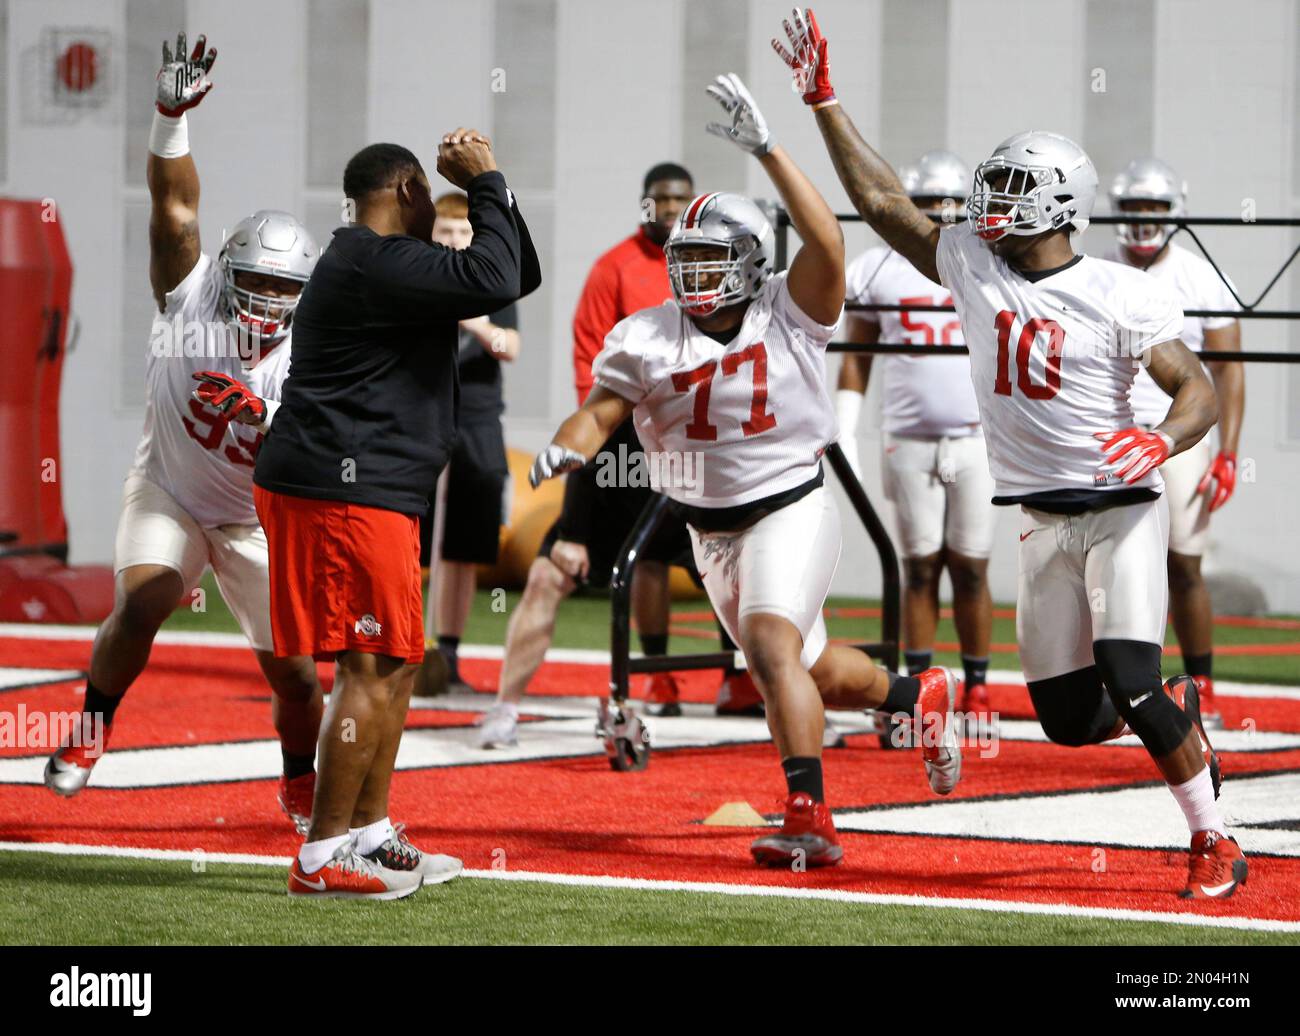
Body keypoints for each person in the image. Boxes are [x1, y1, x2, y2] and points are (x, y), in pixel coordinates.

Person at [779, 7, 1246, 898]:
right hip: (1037, 522)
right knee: (1070, 721)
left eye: (1013, 190)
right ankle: (1181, 715)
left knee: (1131, 679)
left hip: (1119, 511)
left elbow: (1200, 390)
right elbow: (883, 204)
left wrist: (1161, 437)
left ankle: (1213, 839)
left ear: (1061, 201)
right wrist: (825, 101)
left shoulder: (1118, 289)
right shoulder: (973, 263)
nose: (992, 206)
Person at [530, 74, 961, 869]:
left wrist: (768, 149)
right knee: (813, 669)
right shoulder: (645, 335)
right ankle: (917, 694)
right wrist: (568, 444)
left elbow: (828, 241)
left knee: (769, 651)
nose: (693, 275)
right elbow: (600, 411)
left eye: (711, 258)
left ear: (752, 260)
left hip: (790, 507)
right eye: (684, 259)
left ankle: (811, 815)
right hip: (709, 530)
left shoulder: (788, 310)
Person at [44, 33, 325, 837]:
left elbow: (308, 455)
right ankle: (92, 729)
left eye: (284, 289)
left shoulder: (311, 353)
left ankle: (301, 784)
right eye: (256, 283)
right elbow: (175, 208)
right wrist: (171, 118)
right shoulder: (192, 293)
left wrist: (263, 418)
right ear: (225, 274)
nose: (268, 301)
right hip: (168, 483)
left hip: (252, 514)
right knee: (146, 598)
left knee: (298, 675)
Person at [253, 132, 540, 899]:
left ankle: (370, 834)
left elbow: (517, 273)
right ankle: (320, 858)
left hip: (372, 488)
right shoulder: (374, 260)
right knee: (369, 664)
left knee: (399, 660)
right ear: (410, 191)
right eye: (428, 197)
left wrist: (496, 192)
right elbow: (497, 269)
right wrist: (485, 178)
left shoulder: (379, 262)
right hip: (344, 489)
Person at [475, 163, 762, 750]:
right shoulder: (616, 271)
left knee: (750, 569)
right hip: (622, 451)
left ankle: (759, 684)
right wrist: (582, 444)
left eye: (682, 201)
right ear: (645, 205)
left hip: (700, 457)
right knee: (552, 569)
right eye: (662, 201)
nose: (671, 211)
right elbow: (592, 370)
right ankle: (506, 708)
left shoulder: (731, 282)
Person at [837, 149, 996, 715]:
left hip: (977, 437)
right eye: (929, 203)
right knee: (920, 566)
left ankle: (978, 681)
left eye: (951, 204)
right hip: (907, 434)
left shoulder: (986, 261)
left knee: (972, 566)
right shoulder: (878, 267)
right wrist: (845, 428)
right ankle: (922, 679)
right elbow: (857, 353)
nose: (940, 214)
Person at [1109, 158, 1244, 728]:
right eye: (1135, 208)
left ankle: (1202, 684)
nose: (1144, 219)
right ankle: (1126, 686)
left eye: (1155, 208)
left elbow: (1230, 368)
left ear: (1174, 211)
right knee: (1116, 567)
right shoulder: (1095, 270)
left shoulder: (1200, 275)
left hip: (1182, 437)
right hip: (1115, 434)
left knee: (1184, 565)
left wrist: (1230, 452)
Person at [422, 191, 522, 692]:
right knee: (412, 542)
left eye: (463, 231)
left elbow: (510, 347)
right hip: (421, 414)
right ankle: (387, 648)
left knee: (462, 548)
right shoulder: (415, 280)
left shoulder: (494, 283)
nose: (455, 240)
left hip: (476, 420)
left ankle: (449, 653)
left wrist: (478, 326)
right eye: (445, 231)